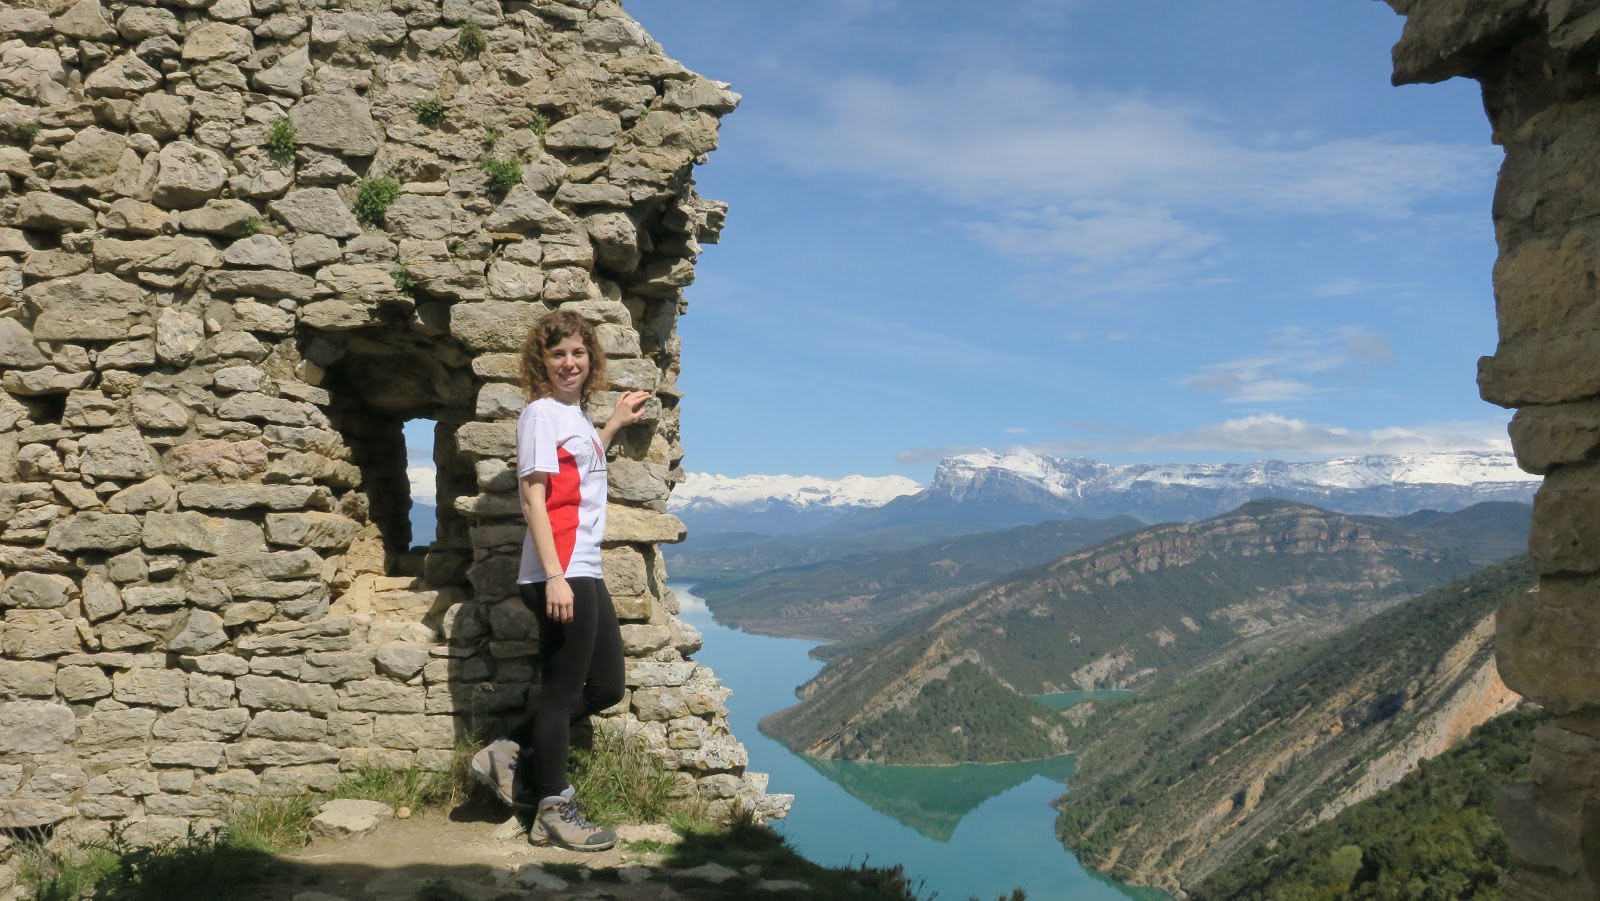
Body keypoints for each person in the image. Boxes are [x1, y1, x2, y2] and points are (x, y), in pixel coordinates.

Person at [470, 310, 650, 852]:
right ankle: (552, 807)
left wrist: (613, 424)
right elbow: (533, 498)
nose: (569, 363)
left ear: (591, 358)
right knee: (563, 692)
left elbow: (581, 463)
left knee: (607, 687)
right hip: (560, 570)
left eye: (577, 353)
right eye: (557, 355)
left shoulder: (571, 419)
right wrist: (553, 576)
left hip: (581, 568)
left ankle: (508, 753)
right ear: (540, 363)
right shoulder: (541, 415)